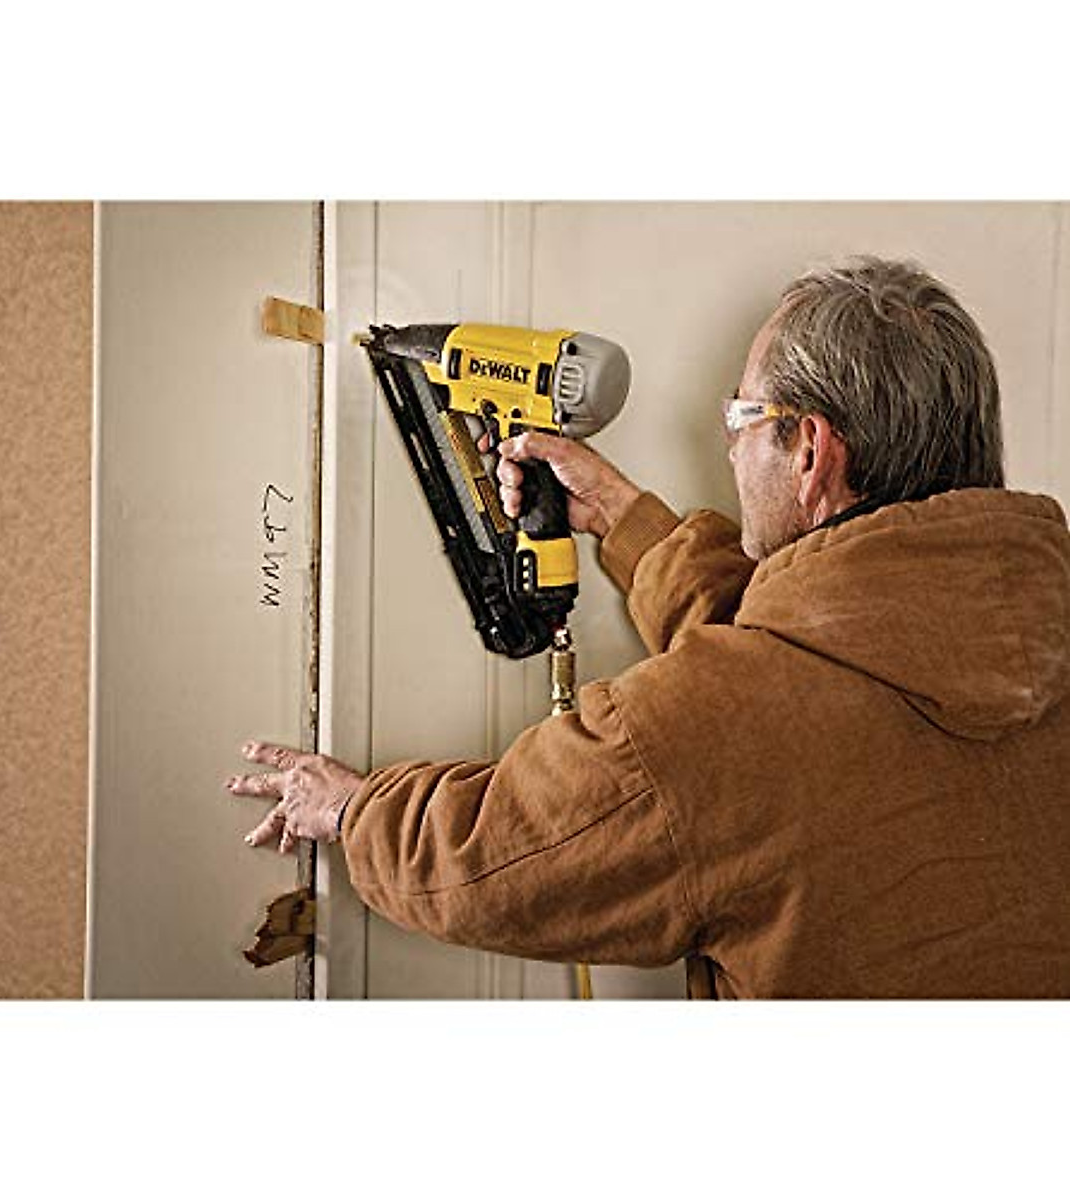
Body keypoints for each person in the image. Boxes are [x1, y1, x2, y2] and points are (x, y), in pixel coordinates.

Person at [225, 256, 1070, 998]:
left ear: (811, 453)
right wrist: (625, 520)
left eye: (742, 418)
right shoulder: (1028, 638)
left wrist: (353, 808)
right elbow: (820, 656)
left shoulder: (710, 732)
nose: (730, 447)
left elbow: (484, 860)